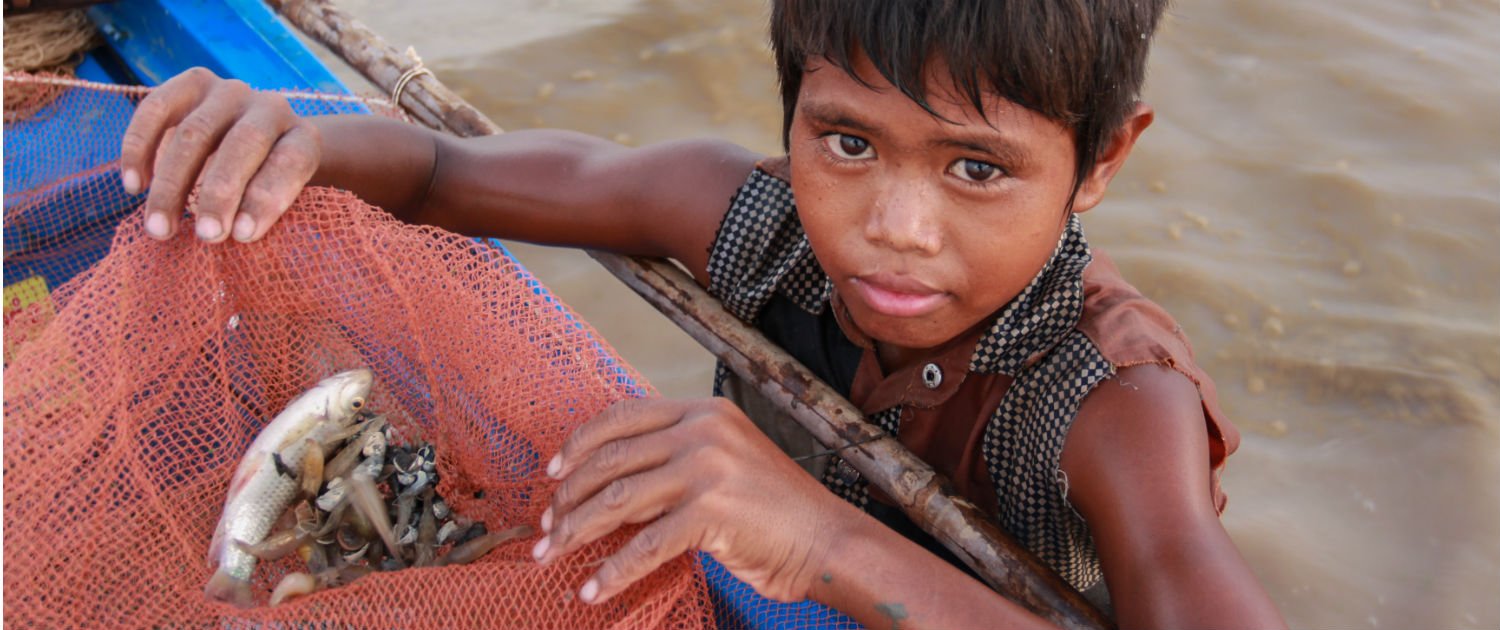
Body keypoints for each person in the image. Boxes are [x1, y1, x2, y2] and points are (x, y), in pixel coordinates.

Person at [120, 1, 1286, 627]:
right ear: (790, 107)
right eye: (846, 140)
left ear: (1101, 163)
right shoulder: (751, 221)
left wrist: (822, 538)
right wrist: (297, 138)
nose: (895, 224)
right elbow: (432, 171)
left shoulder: (1116, 405)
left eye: (976, 170)